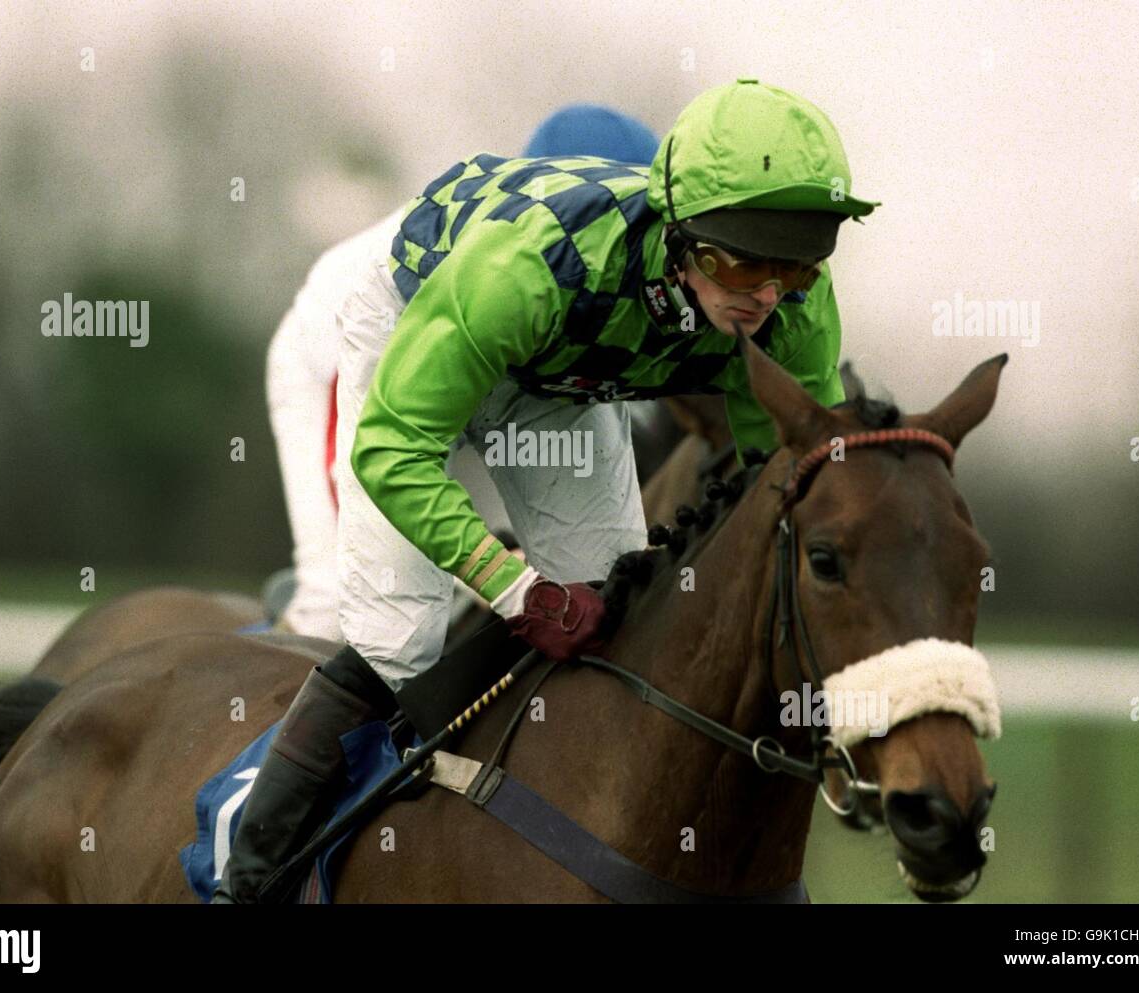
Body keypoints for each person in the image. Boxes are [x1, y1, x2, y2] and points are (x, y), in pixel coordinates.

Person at [216, 79, 878, 902]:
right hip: (416, 320)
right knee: (400, 638)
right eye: (742, 261)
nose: (769, 295)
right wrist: (511, 586)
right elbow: (393, 451)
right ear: (682, 237)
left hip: (562, 373)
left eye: (796, 267)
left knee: (618, 614)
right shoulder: (526, 268)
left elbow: (779, 488)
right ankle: (247, 875)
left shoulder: (789, 310)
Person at [265, 104, 659, 643]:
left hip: (496, 386)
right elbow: (395, 458)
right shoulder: (494, 267)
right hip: (347, 358)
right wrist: (496, 575)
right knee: (350, 605)